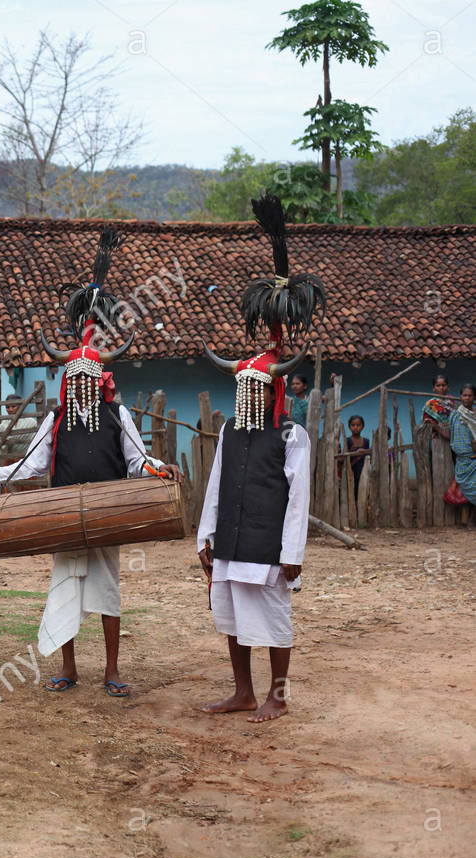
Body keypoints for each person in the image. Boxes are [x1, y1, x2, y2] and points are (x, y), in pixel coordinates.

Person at [0, 226, 181, 698]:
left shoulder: (116, 412)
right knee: (64, 589)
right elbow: (32, 463)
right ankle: (67, 668)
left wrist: (158, 469)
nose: (83, 383)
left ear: (100, 377)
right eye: (75, 376)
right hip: (65, 513)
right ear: (68, 379)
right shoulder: (56, 417)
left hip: (107, 513)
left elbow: (136, 457)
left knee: (108, 594)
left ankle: (111, 670)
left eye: (90, 375)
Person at [198, 193, 319, 723]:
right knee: (231, 617)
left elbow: (297, 503)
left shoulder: (292, 435)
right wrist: (205, 535)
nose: (246, 396)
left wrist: (293, 552)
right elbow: (216, 484)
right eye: (241, 387)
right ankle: (243, 691)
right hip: (231, 540)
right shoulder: (230, 430)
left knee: (271, 617)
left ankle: (278, 695)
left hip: (270, 544)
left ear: (271, 390)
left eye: (256, 388)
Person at [450, 384, 476, 527]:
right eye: (464, 395)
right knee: (468, 489)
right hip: (462, 460)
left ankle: (472, 520)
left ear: (474, 397)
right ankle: (469, 520)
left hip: (475, 458)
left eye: (470, 395)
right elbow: (451, 435)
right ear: (460, 397)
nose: (467, 398)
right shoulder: (455, 415)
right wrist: (436, 428)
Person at [423, 373, 456, 444]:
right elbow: (426, 423)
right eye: (438, 385)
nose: (441, 388)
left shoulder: (453, 401)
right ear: (433, 388)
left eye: (444, 385)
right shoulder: (430, 404)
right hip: (437, 438)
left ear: (448, 387)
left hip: (454, 436)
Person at [345, 414, 370, 496]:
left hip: (363, 471)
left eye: (358, 425)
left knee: (363, 492)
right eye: (353, 425)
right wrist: (353, 453)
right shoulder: (348, 441)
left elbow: (369, 457)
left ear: (362, 427)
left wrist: (366, 452)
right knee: (352, 492)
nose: (356, 427)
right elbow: (344, 458)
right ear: (349, 427)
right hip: (351, 471)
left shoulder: (366, 441)